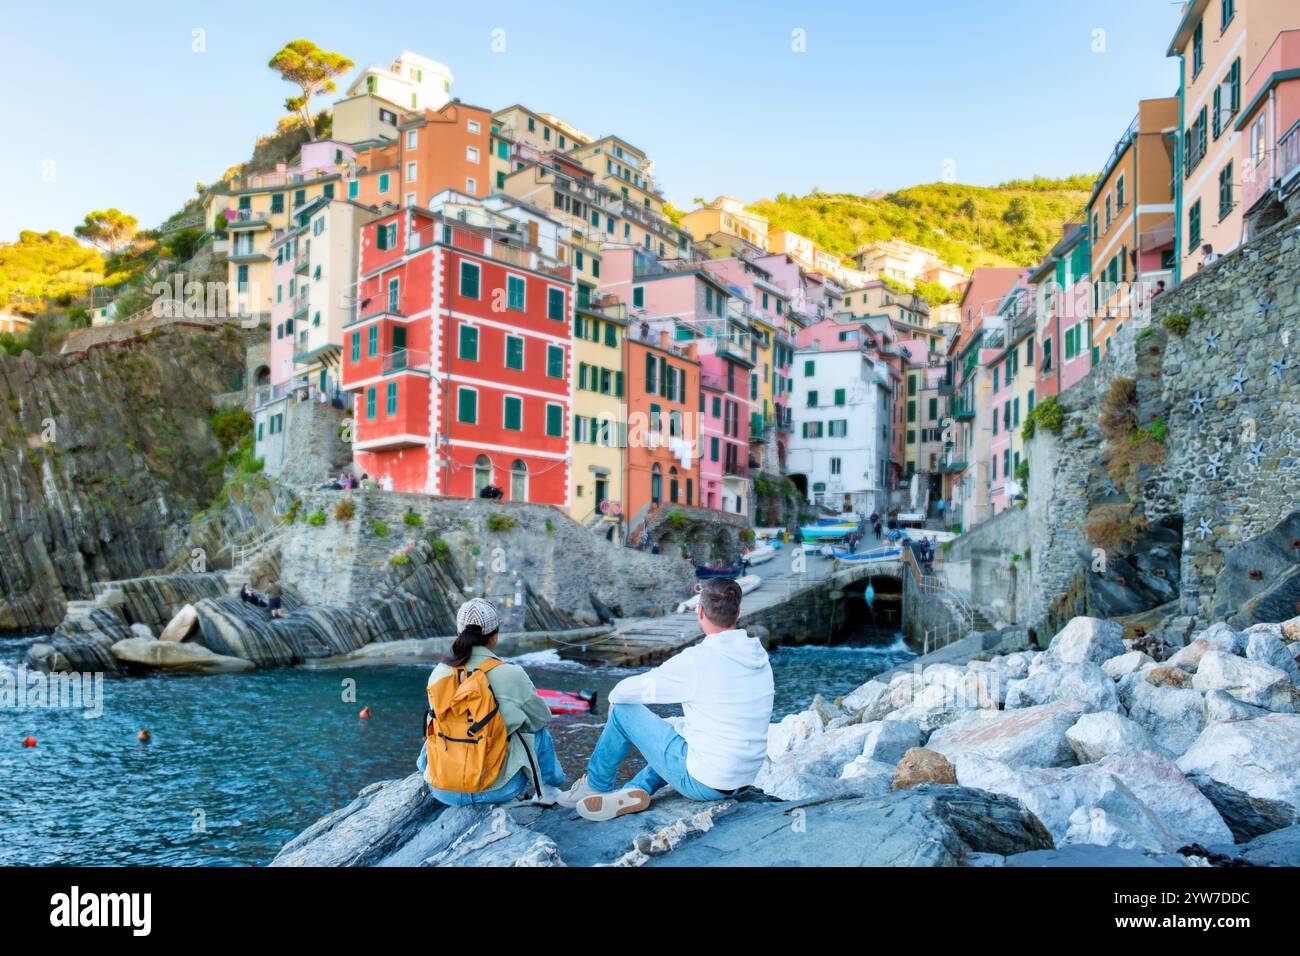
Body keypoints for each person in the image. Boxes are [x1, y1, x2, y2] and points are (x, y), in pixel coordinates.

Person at [559, 578, 774, 821]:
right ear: (738, 613)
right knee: (677, 731)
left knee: (623, 710)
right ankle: (635, 789)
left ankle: (595, 784)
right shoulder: (759, 656)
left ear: (700, 612)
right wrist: (670, 725)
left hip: (704, 782)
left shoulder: (697, 659)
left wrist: (614, 699)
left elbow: (632, 689)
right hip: (744, 779)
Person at [418, 599, 565, 806]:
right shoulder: (512, 674)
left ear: (458, 632)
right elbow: (541, 718)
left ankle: (424, 772)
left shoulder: (439, 673)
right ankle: (550, 790)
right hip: (497, 789)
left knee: (436, 725)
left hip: (442, 789)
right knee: (538, 732)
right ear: (494, 636)